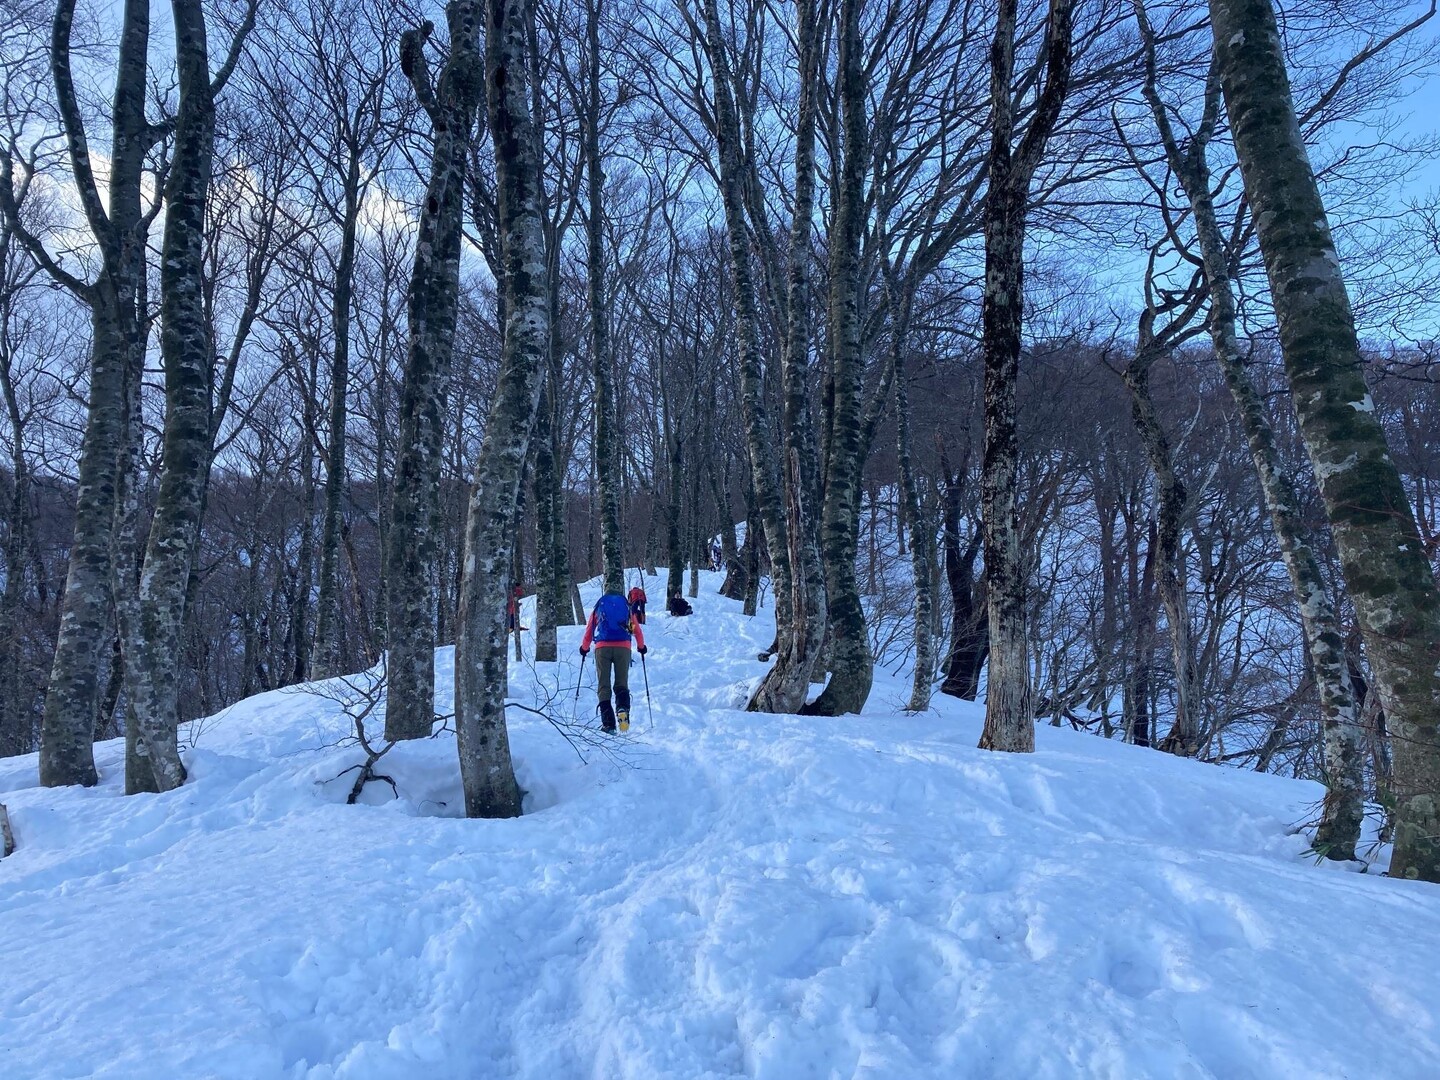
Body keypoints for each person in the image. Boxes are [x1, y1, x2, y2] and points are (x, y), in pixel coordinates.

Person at [580, 590, 647, 732]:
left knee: (603, 685)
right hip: (623, 647)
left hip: (602, 647)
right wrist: (641, 646)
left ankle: (608, 724)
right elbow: (635, 629)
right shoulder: (626, 607)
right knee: (621, 683)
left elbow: (590, 629)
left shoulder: (600, 606)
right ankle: (622, 709)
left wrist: (584, 648)